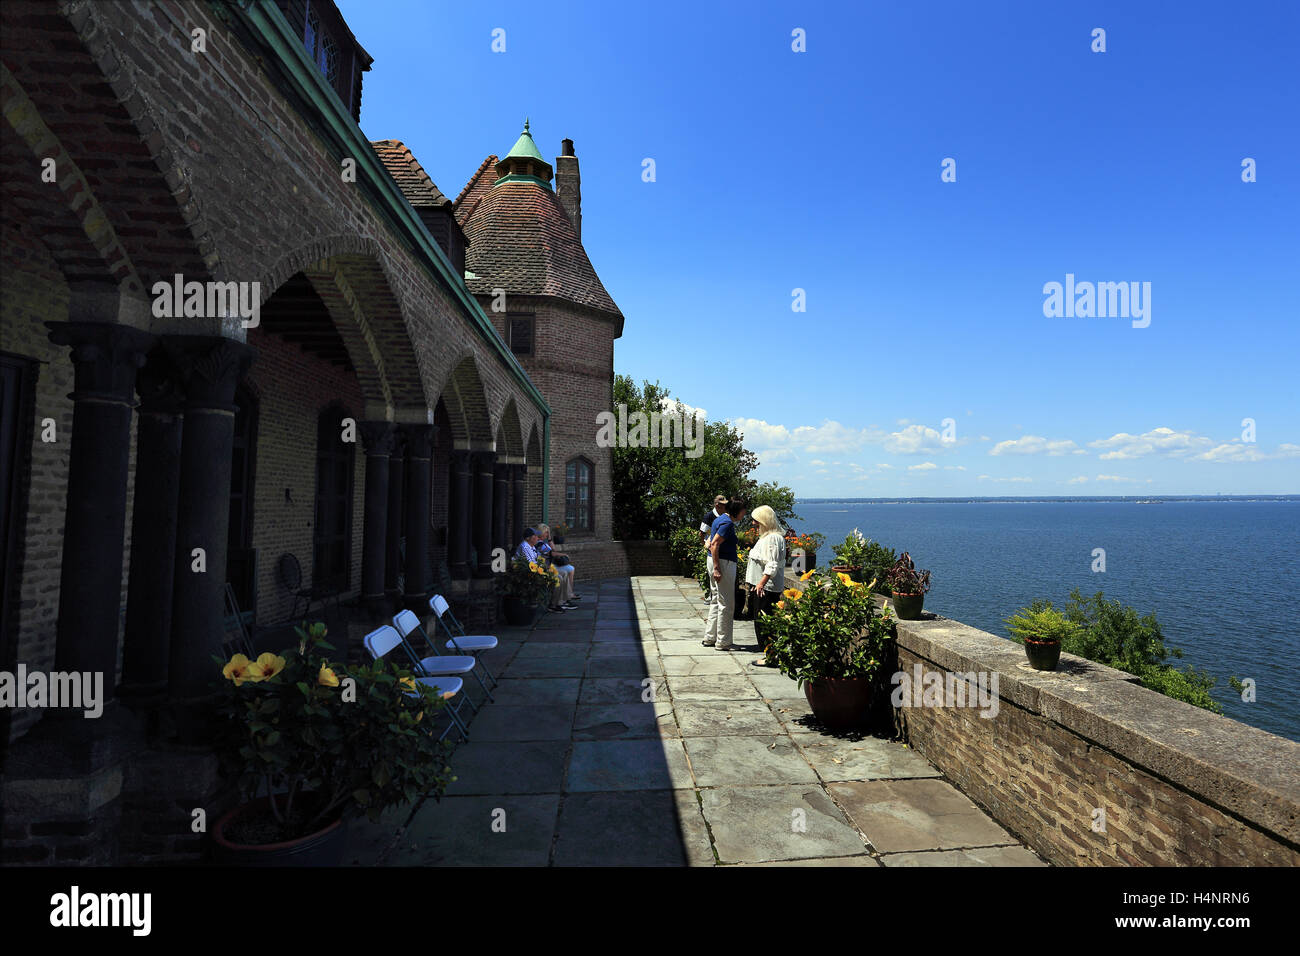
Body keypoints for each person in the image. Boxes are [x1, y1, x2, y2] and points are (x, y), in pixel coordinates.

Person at [744, 505, 787, 666]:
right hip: (762, 587)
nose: (754, 523)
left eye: (756, 520)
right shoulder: (768, 537)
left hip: (766, 588)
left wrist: (761, 583)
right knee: (763, 622)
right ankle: (771, 655)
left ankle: (771, 657)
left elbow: (772, 564)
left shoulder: (772, 539)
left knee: (765, 623)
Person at [702, 497, 746, 651]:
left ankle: (710, 637)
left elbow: (708, 540)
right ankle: (723, 641)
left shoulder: (720, 519)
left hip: (715, 561)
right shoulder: (727, 524)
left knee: (716, 599)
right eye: (743, 511)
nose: (744, 514)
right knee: (726, 603)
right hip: (723, 563)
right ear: (737, 511)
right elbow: (714, 544)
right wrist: (717, 568)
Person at [517, 527, 566, 614]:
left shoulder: (531, 546)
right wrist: (545, 570)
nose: (537, 537)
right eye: (535, 536)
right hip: (530, 575)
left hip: (536, 571)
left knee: (559, 576)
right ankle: (553, 605)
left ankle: (557, 603)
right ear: (528, 538)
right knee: (558, 578)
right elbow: (531, 565)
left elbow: (537, 561)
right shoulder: (525, 547)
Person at [536, 523, 579, 609]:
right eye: (546, 532)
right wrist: (564, 554)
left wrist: (549, 539)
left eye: (548, 532)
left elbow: (553, 549)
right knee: (562, 575)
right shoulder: (539, 544)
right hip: (545, 568)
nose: (547, 534)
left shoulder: (543, 542)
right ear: (541, 532)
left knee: (567, 571)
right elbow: (552, 553)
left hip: (549, 566)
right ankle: (561, 601)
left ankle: (565, 599)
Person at [699, 495, 728, 604]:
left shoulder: (724, 516)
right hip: (712, 550)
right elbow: (701, 533)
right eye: (724, 505)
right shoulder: (709, 516)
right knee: (712, 575)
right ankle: (711, 598)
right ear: (717, 506)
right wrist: (704, 544)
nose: (726, 507)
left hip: (721, 551)